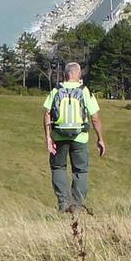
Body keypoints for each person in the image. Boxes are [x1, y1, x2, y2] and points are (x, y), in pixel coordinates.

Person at [42, 62, 106, 213]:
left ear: (65, 74)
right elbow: (95, 118)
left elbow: (47, 114)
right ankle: (77, 206)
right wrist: (100, 138)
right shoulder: (84, 91)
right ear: (78, 75)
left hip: (59, 136)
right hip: (80, 137)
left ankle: (64, 204)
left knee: (58, 168)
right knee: (80, 171)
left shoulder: (56, 90)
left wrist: (48, 137)